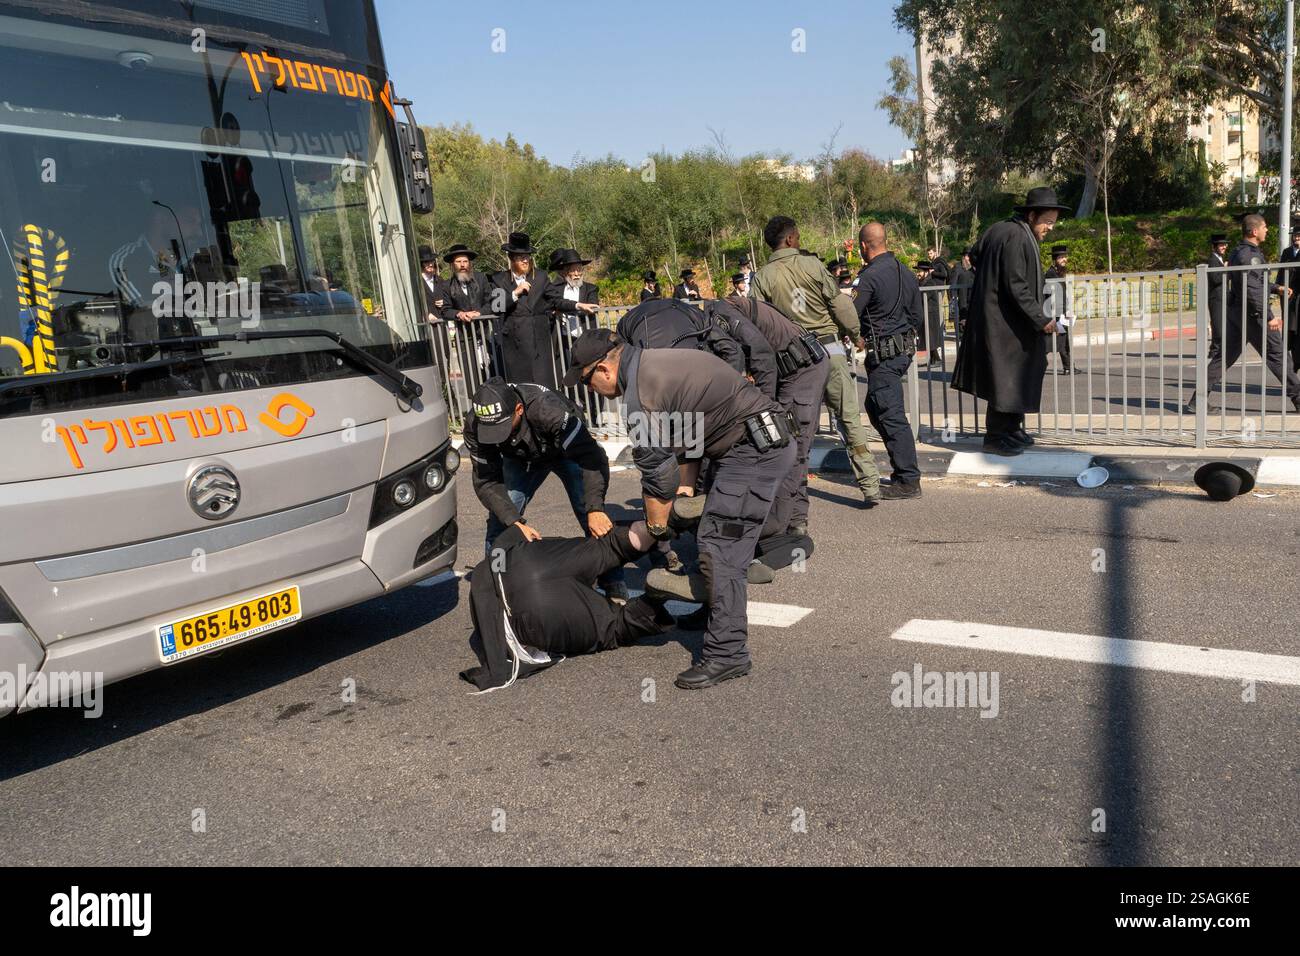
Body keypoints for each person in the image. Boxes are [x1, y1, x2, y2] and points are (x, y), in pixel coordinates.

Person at [565, 329, 797, 690]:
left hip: (754, 452)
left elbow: (658, 475)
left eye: (587, 382)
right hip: (750, 442)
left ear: (604, 370)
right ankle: (713, 612)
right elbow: (690, 429)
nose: (590, 391)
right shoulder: (651, 363)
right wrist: (684, 490)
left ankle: (728, 652)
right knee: (710, 536)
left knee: (722, 549)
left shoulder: (638, 397)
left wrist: (659, 529)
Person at [753, 215, 882, 506]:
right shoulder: (813, 265)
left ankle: (790, 495)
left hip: (793, 362)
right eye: (797, 236)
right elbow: (840, 305)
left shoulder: (762, 277)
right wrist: (855, 334)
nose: (799, 240)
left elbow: (757, 324)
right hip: (829, 351)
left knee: (796, 429)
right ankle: (870, 485)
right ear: (789, 239)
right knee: (849, 419)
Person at [459, 521, 676, 693]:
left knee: (614, 626)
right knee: (610, 545)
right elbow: (502, 549)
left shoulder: (488, 619)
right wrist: (516, 528)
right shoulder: (491, 564)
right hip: (523, 561)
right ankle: (667, 519)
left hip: (528, 615)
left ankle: (658, 594)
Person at [463, 377, 629, 602]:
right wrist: (515, 522)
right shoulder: (475, 424)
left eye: (501, 427)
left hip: (565, 451)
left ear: (519, 409)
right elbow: (486, 481)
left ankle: (614, 581)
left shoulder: (546, 408)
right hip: (520, 458)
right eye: (490, 430)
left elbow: (592, 457)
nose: (495, 434)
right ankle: (495, 584)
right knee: (500, 521)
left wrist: (595, 507)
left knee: (590, 514)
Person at [952, 186, 1072, 456]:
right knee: (1005, 379)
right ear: (1032, 215)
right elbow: (1016, 285)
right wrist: (1042, 319)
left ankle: (1012, 428)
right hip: (1004, 324)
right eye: (1048, 222)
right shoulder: (1017, 237)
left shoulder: (1001, 229)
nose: (1050, 228)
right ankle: (996, 436)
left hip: (1002, 321)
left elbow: (975, 255)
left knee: (1017, 375)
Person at [720, 285, 830, 539]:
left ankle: (780, 527)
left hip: (802, 371)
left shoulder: (722, 316)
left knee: (789, 446)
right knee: (790, 446)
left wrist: (765, 408)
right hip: (796, 368)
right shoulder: (731, 309)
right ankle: (794, 519)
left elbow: (760, 354)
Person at [1193, 214, 1300, 414]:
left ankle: (1196, 401)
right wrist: (1269, 317)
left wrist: (1276, 287)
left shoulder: (1238, 252)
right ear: (1254, 231)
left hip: (1238, 315)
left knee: (1222, 358)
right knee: (1278, 356)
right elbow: (1252, 290)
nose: (1267, 230)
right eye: (1265, 227)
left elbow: (1253, 282)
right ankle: (1299, 398)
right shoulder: (1249, 255)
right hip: (1253, 316)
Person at [853, 223, 923, 499]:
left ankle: (908, 479)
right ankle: (902, 470)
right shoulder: (904, 271)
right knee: (875, 404)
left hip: (884, 354)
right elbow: (917, 315)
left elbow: (852, 313)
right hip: (901, 351)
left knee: (890, 414)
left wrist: (854, 335)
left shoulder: (868, 277)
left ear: (863, 246)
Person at [490, 232, 596, 389]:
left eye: (527, 256)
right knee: (521, 388)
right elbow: (496, 307)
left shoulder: (540, 276)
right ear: (511, 258)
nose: (525, 260)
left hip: (539, 343)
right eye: (520, 257)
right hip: (514, 345)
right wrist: (515, 293)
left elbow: (556, 299)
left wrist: (577, 305)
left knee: (543, 386)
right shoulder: (499, 279)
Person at [440, 243, 493, 392]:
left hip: (485, 335)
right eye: (458, 262)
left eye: (465, 261)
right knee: (472, 379)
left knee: (491, 374)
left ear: (469, 263)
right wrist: (459, 314)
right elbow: (445, 310)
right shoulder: (446, 285)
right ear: (452, 264)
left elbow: (491, 302)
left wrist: (479, 313)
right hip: (464, 338)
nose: (462, 265)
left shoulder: (482, 279)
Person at [1043, 244, 1077, 375]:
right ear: (1055, 259)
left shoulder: (1058, 273)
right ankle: (1037, 364)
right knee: (1049, 343)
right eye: (1061, 257)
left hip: (1060, 312)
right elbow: (1052, 296)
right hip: (1054, 313)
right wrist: (1063, 311)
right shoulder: (1051, 274)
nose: (1064, 259)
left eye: (1065, 257)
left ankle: (1068, 366)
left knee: (1063, 340)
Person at [913, 259, 946, 369]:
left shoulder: (931, 282)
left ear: (926, 272)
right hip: (925, 313)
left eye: (920, 271)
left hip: (931, 314)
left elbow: (923, 298)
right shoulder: (920, 282)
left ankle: (936, 359)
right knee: (927, 337)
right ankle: (932, 359)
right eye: (918, 271)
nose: (918, 273)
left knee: (930, 337)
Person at [1277, 227, 1300, 371]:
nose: (1296, 238)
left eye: (1299, 235)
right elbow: (1280, 273)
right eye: (1295, 235)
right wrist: (1278, 288)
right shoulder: (1287, 252)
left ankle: (1296, 363)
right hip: (1289, 297)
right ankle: (1292, 364)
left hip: (1299, 297)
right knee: (1290, 331)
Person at [951, 248, 975, 333]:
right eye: (967, 256)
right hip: (959, 297)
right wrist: (954, 297)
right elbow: (953, 283)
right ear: (964, 257)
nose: (969, 259)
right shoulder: (957, 267)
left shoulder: (972, 268)